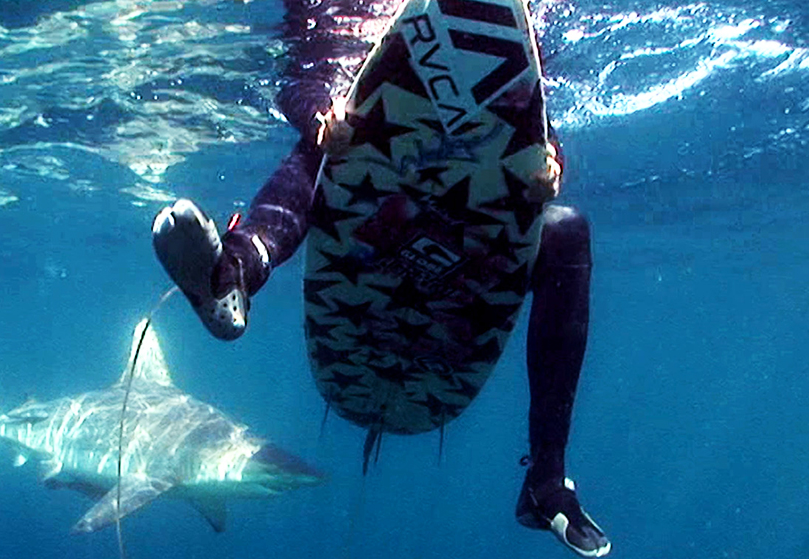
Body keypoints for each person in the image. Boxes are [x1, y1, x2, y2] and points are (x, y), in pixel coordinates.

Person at [151, 0, 610, 556]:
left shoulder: (512, 15)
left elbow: (517, 110)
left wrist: (549, 165)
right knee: (325, 157)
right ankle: (232, 276)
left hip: (465, 236)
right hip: (376, 207)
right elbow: (296, 77)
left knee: (565, 229)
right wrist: (321, 114)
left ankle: (546, 480)